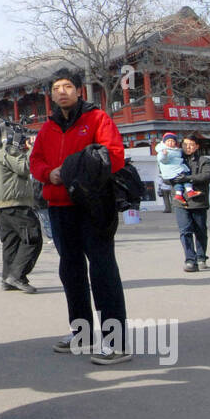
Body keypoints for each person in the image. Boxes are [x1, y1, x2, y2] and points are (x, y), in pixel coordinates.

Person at [29, 67, 132, 364]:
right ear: (51, 95)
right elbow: (36, 162)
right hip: (60, 207)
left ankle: (117, 341)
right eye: (56, 87)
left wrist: (71, 171)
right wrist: (51, 174)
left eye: (67, 86)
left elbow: (114, 156)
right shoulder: (46, 129)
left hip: (94, 205)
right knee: (70, 271)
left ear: (78, 90)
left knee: (102, 270)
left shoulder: (97, 119)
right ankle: (82, 332)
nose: (62, 91)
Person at [0, 121, 44, 293]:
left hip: (1, 204)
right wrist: (31, 148)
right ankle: (17, 276)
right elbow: (25, 168)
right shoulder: (8, 151)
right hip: (16, 203)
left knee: (11, 242)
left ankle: (7, 278)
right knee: (32, 238)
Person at [172, 135, 210, 271]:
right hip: (180, 201)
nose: (187, 147)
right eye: (185, 144)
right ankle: (190, 259)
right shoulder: (176, 160)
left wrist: (187, 178)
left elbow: (208, 176)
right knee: (185, 231)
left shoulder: (204, 161)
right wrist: (173, 179)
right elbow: (166, 177)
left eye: (191, 145)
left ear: (197, 146)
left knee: (200, 231)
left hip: (198, 201)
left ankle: (201, 257)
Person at [156, 131, 198, 203]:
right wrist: (164, 155)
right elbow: (161, 159)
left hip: (176, 170)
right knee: (185, 178)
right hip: (174, 170)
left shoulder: (176, 150)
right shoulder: (163, 150)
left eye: (172, 141)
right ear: (164, 142)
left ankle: (179, 194)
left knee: (179, 182)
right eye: (168, 141)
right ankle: (189, 190)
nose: (170, 143)